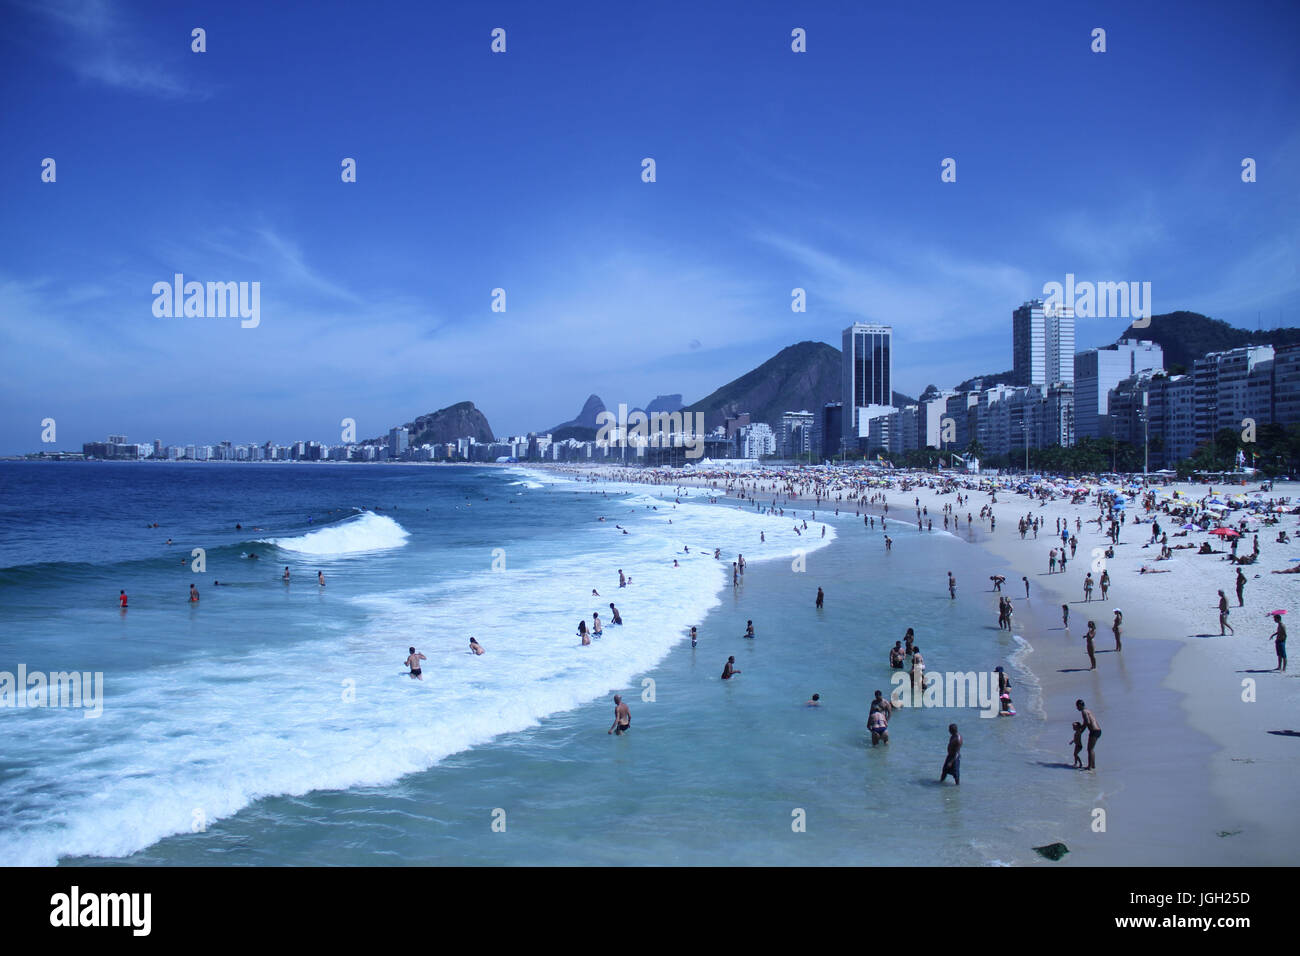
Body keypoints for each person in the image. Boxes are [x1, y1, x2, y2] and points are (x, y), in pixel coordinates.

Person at [1076, 699, 1100, 770]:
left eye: (1077, 706)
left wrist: (1081, 731)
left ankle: (1089, 767)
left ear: (1080, 705)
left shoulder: (1084, 712)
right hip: (1097, 730)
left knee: (1090, 749)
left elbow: (1087, 722)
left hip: (1094, 731)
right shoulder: (1087, 710)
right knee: (1091, 749)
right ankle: (1093, 765)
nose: (1077, 708)